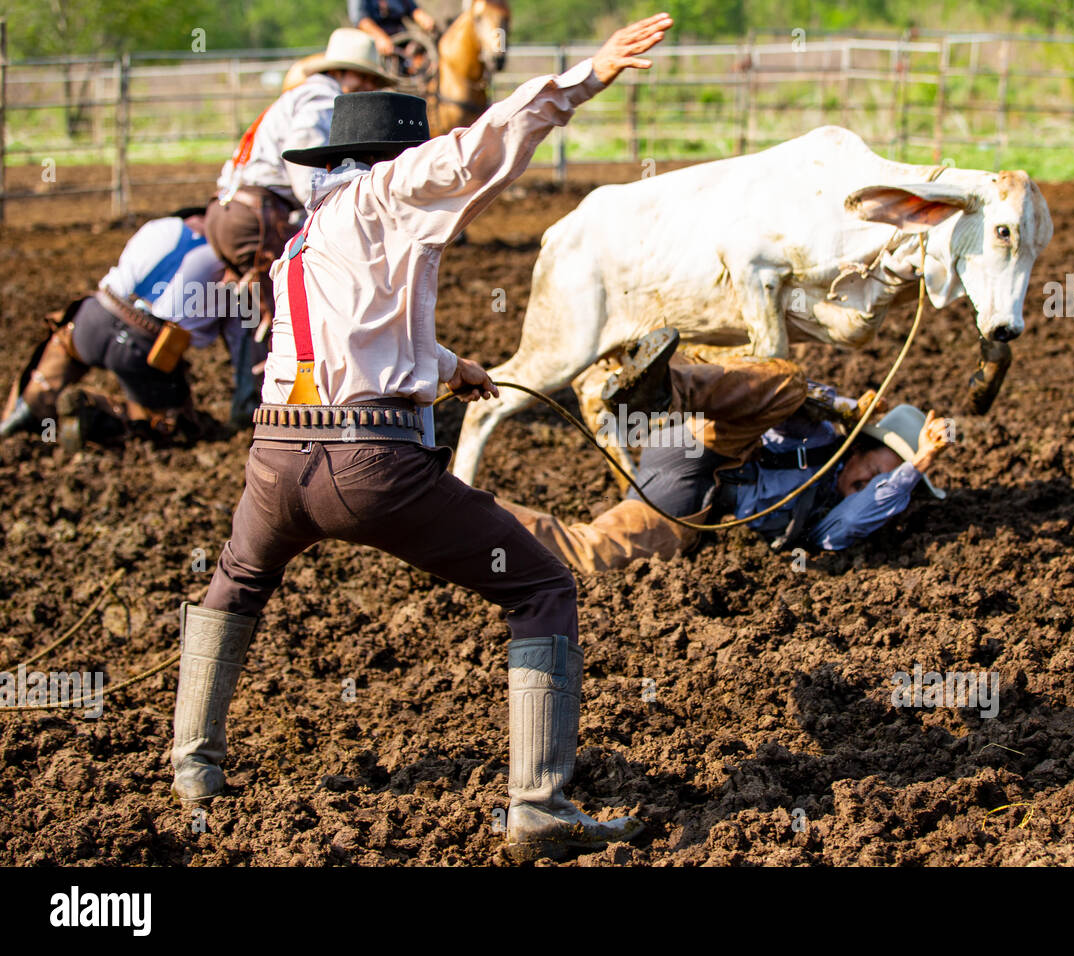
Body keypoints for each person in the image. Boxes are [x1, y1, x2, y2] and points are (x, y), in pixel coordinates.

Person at [168, 13, 676, 864]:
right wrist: (588, 74)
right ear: (395, 160)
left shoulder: (304, 238)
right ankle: (538, 808)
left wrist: (447, 364)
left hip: (276, 460)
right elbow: (487, 142)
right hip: (370, 463)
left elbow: (339, 337)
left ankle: (193, 767)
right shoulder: (392, 192)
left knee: (236, 582)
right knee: (543, 587)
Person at [496, 331, 953, 574]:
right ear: (862, 446)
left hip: (687, 507)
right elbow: (786, 397)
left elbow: (856, 519)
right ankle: (664, 389)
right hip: (701, 443)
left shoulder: (835, 520)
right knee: (788, 383)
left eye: (886, 484)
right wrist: (846, 407)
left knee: (591, 554)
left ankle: (466, 517)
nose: (872, 486)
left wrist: (918, 466)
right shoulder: (819, 438)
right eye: (876, 471)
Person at [207, 28, 397, 423]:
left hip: (232, 212)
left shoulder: (298, 94)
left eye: (370, 80)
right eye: (361, 77)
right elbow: (303, 164)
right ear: (343, 73)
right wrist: (325, 208)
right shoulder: (320, 97)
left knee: (256, 305)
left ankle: (250, 401)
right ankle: (274, 402)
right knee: (289, 305)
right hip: (260, 215)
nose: (364, 86)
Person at [0, 207, 241, 449]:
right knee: (172, 424)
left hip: (91, 317)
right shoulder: (224, 261)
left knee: (61, 345)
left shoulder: (158, 225)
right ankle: (96, 412)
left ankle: (28, 406)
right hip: (144, 348)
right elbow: (219, 336)